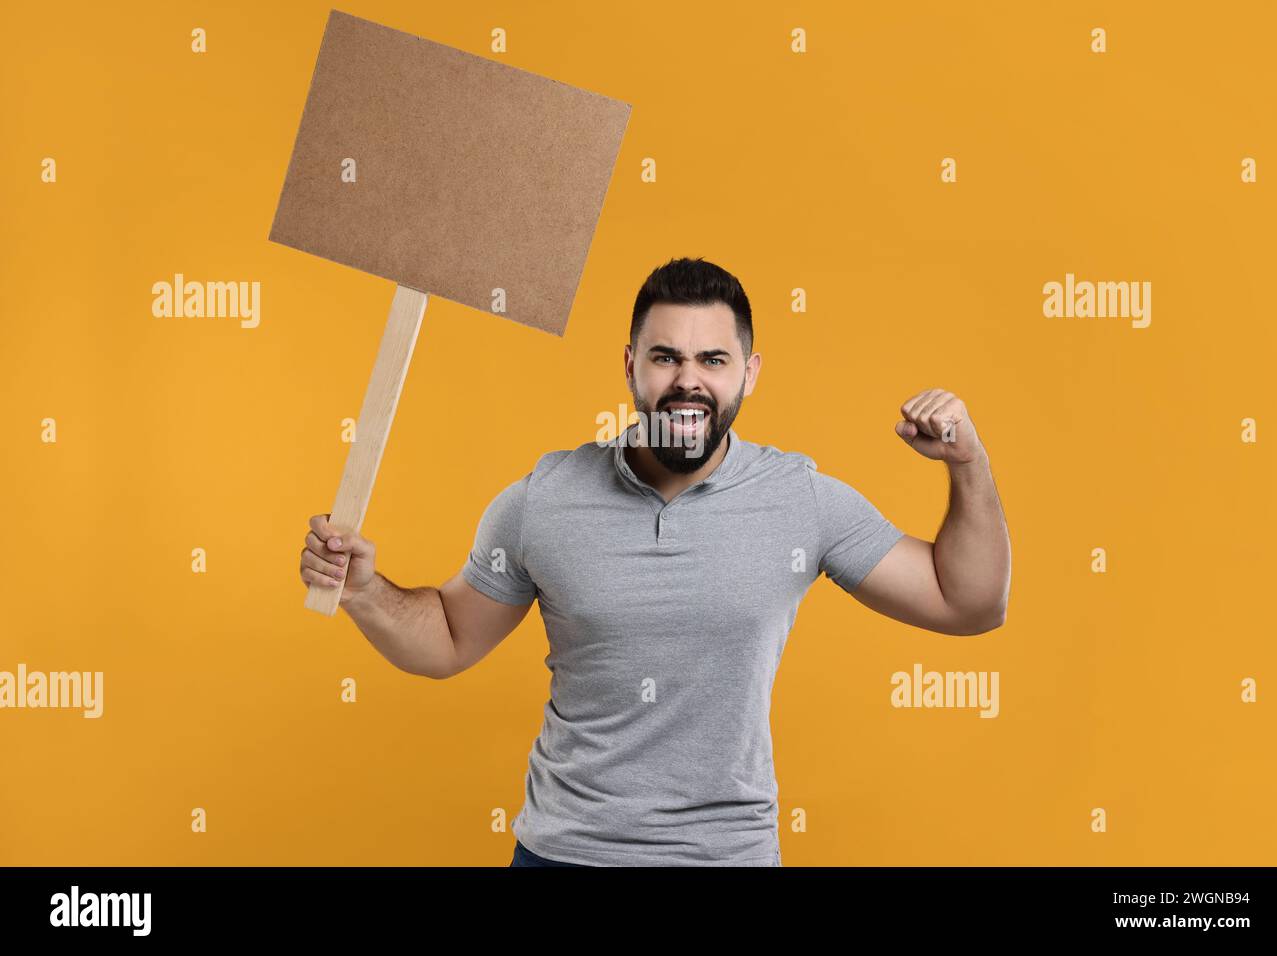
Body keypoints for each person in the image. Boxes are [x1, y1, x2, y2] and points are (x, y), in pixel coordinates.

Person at [299, 257, 1011, 867]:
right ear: (631, 365)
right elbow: (449, 639)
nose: (687, 381)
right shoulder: (543, 499)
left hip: (726, 857)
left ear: (750, 373)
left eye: (713, 359)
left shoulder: (801, 500)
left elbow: (967, 602)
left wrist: (968, 462)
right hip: (566, 854)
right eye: (665, 356)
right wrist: (363, 590)